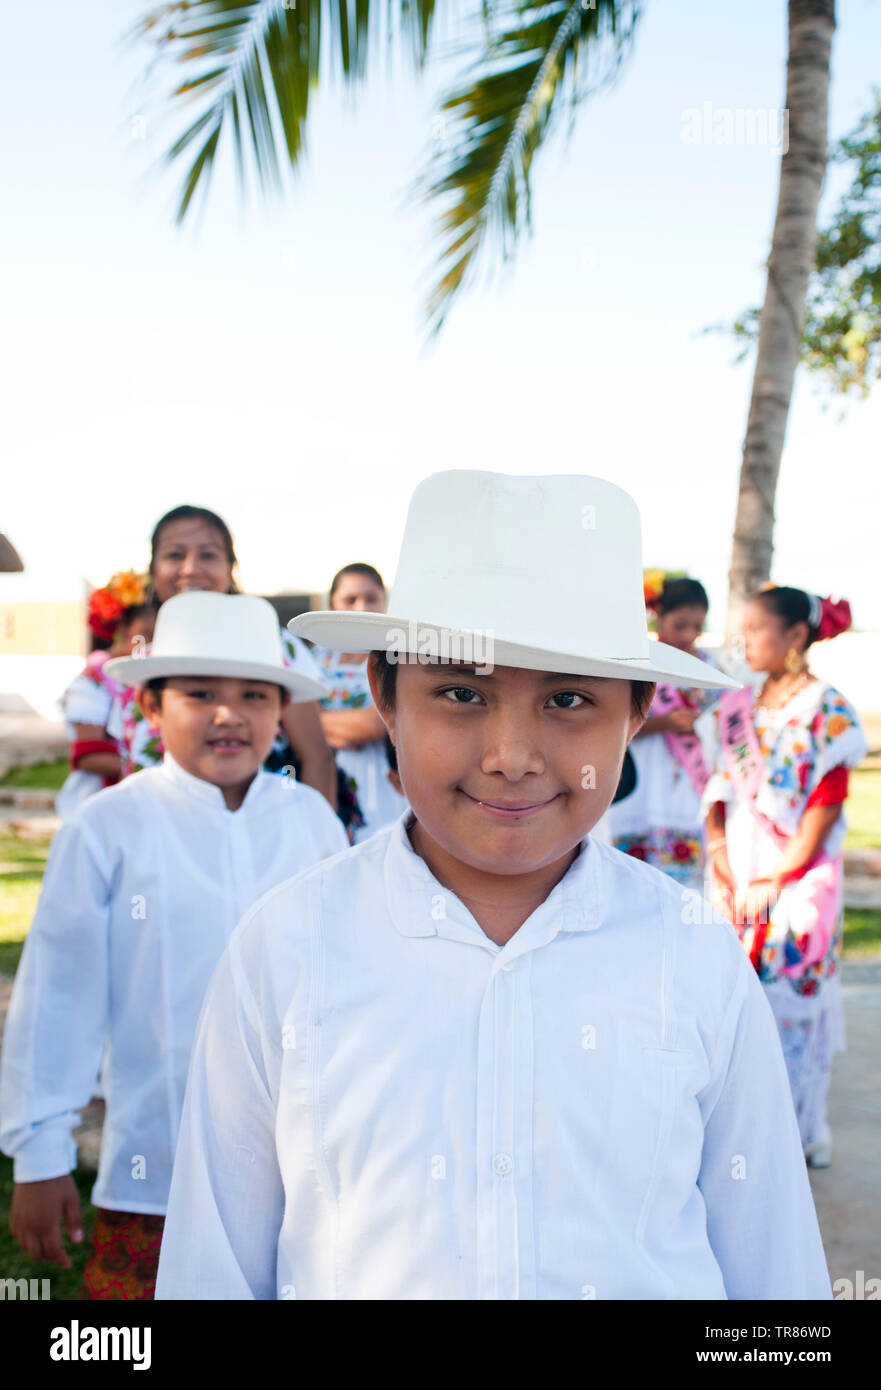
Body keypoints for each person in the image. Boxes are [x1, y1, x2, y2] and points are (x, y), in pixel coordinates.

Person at [156, 471, 831, 1301]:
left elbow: (772, 1264)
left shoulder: (692, 957)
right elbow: (212, 1263)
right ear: (384, 695)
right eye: (460, 694)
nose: (511, 755)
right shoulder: (286, 947)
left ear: (636, 712)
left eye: (570, 698)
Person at [0, 592, 348, 1299]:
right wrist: (40, 1150)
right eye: (199, 693)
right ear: (151, 710)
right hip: (152, 1167)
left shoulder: (309, 820)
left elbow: (347, 974)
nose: (229, 714)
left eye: (255, 694)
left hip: (304, 1165)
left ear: (280, 711)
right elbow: (58, 994)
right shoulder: (107, 828)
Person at [701, 584, 867, 1169]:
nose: (742, 641)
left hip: (794, 886)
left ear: (795, 636)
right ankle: (735, 1134)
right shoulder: (737, 706)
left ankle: (792, 1137)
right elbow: (719, 789)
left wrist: (776, 880)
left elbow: (826, 804)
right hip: (733, 879)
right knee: (729, 1008)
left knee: (787, 1011)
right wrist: (721, 860)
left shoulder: (830, 711)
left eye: (755, 629)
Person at [107, 506, 336, 808]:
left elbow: (315, 756)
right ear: (153, 570)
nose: (190, 568)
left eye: (208, 555)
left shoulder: (275, 646)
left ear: (230, 567)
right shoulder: (144, 660)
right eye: (174, 555)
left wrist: (318, 840)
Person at [607, 574, 723, 890]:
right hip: (641, 783)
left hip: (690, 787)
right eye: (680, 624)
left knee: (687, 889)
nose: (689, 635)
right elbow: (610, 726)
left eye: (697, 626)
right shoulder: (639, 664)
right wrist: (664, 723)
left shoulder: (711, 670)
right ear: (660, 617)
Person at [315, 564, 408, 842]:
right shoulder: (314, 658)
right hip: (323, 781)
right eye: (350, 600)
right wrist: (346, 727)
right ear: (333, 604)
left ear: (385, 602)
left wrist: (315, 723)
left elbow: (375, 725)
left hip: (385, 784)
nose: (361, 607)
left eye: (371, 598)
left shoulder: (399, 658)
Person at [55, 572, 157, 821]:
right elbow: (87, 755)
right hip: (100, 802)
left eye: (158, 635)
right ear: (122, 628)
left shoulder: (154, 673)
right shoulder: (96, 678)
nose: (152, 643)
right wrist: (150, 769)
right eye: (145, 633)